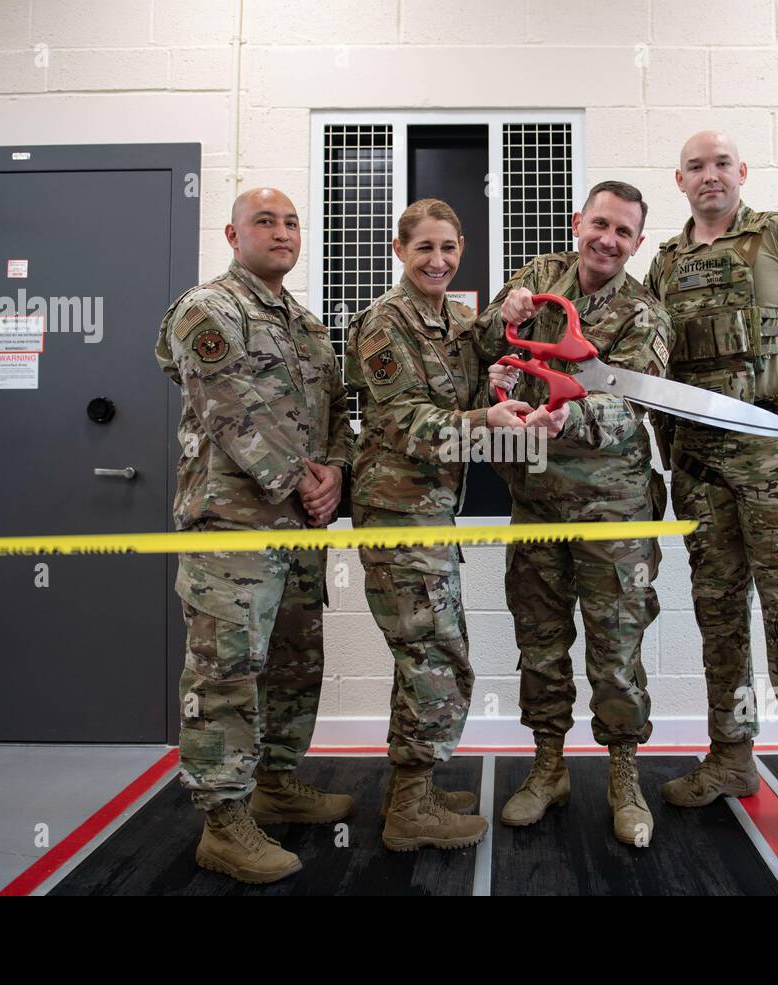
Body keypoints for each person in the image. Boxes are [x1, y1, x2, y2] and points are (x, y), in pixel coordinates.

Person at [643, 131, 778, 856]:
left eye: (721, 165)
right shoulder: (666, 263)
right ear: (680, 181)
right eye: (696, 167)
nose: (710, 176)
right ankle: (731, 757)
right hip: (702, 472)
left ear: (743, 172)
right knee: (720, 619)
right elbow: (649, 356)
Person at [154, 187, 354, 883]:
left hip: (297, 529)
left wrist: (336, 472)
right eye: (264, 221)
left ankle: (275, 783)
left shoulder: (305, 323)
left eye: (291, 221)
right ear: (233, 234)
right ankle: (222, 821)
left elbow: (332, 411)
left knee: (296, 661)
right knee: (227, 672)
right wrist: (301, 478)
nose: (281, 231)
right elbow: (227, 402)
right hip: (231, 527)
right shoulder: (207, 308)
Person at [476, 180, 673, 847]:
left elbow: (632, 407)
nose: (608, 240)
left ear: (637, 242)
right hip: (535, 502)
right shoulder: (537, 280)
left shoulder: (645, 313)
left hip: (612, 513)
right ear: (577, 223)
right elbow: (484, 344)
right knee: (540, 641)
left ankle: (623, 778)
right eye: (600, 225)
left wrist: (572, 415)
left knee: (617, 652)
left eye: (623, 232)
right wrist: (498, 316)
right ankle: (548, 767)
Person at [346, 199, 535, 852]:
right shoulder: (383, 323)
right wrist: (487, 421)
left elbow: (477, 353)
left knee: (427, 656)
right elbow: (409, 424)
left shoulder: (452, 318)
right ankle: (410, 812)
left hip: (431, 512)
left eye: (449, 247)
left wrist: (496, 374)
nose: (438, 260)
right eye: (424, 247)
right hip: (397, 516)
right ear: (399, 251)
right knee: (435, 658)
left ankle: (414, 790)